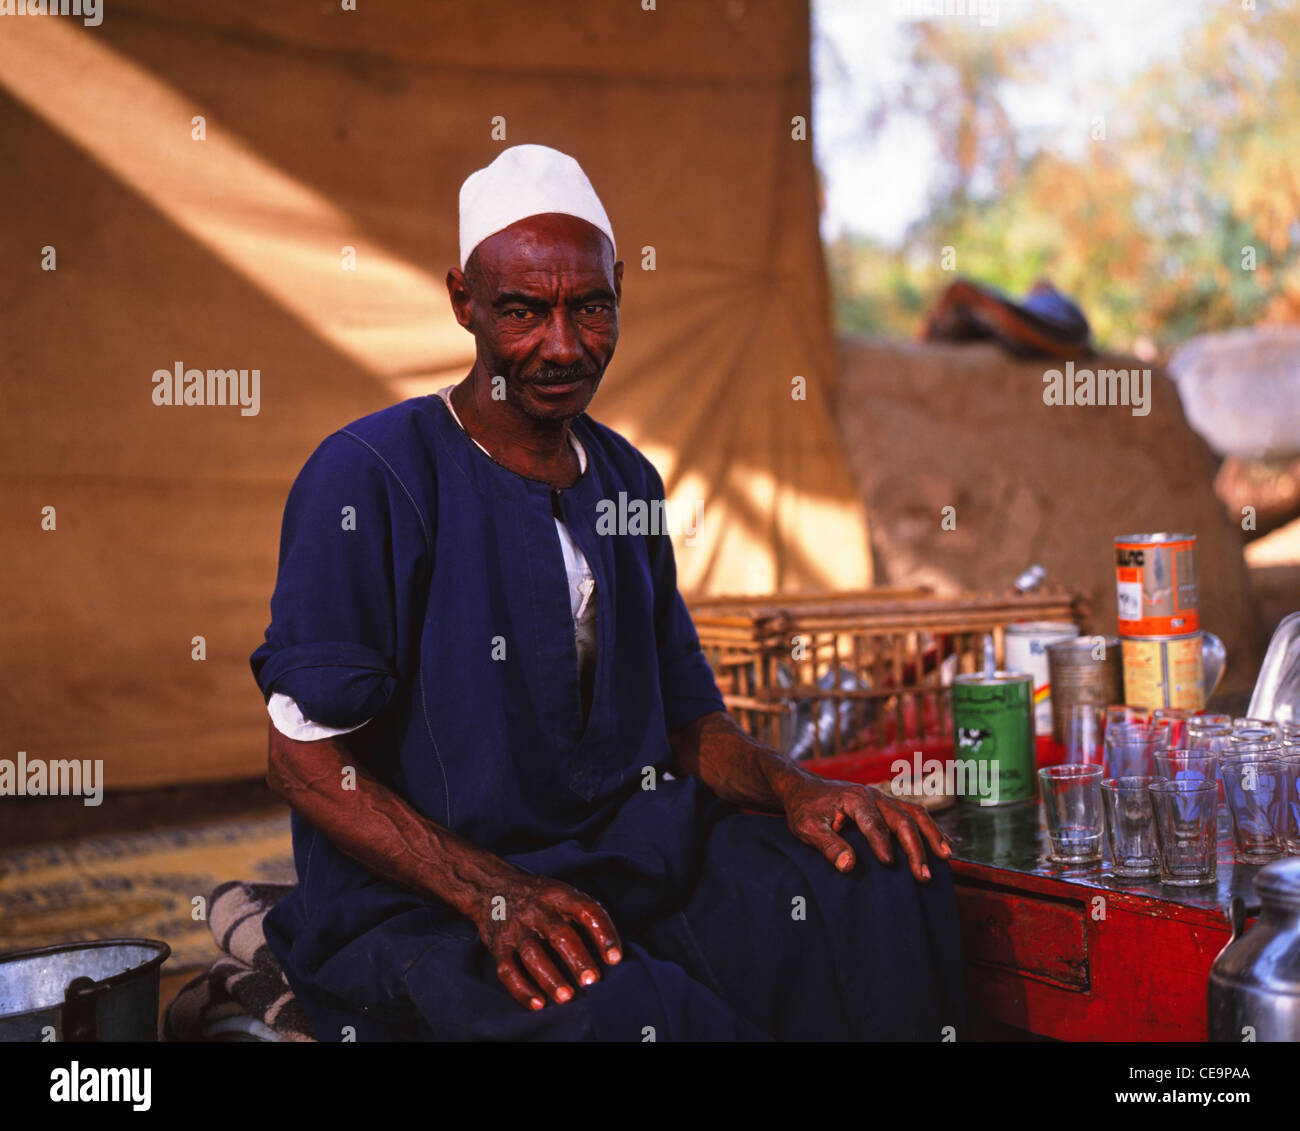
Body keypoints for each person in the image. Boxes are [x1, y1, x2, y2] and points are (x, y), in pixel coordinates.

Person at [252, 144, 964, 1041]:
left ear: (621, 290)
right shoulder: (367, 476)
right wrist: (494, 892)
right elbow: (306, 762)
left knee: (882, 878)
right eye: (522, 311)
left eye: (590, 307)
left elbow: (687, 720)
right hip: (428, 905)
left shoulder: (627, 479)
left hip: (626, 862)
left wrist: (795, 786)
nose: (562, 345)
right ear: (463, 302)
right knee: (631, 1017)